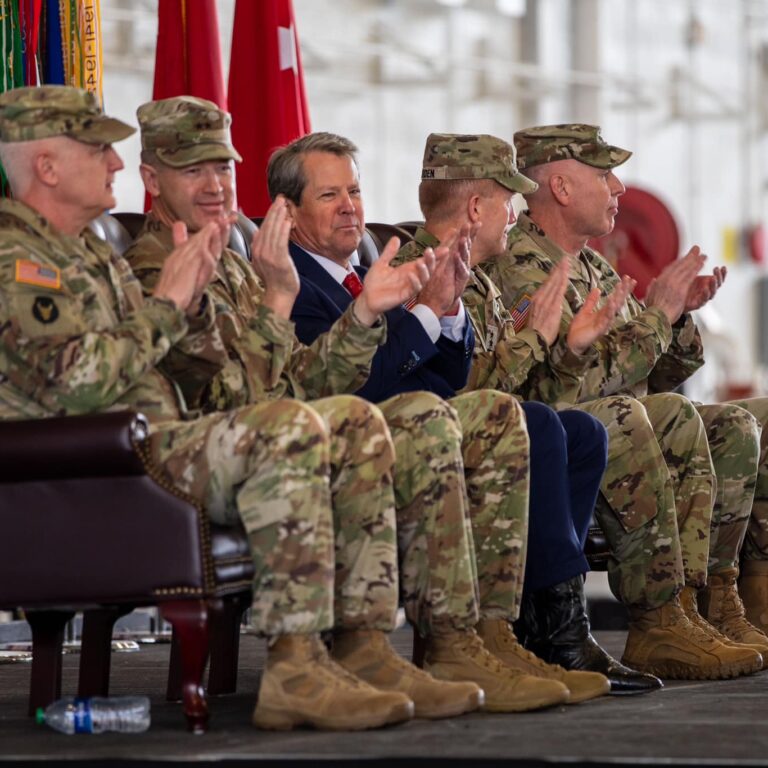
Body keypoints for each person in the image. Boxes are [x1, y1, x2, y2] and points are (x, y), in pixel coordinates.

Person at [123, 95, 599, 712]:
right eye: (195, 170)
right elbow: (254, 396)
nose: (215, 185)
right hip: (199, 448)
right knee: (426, 418)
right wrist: (329, 307)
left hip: (280, 423)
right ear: (150, 180)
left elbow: (292, 383)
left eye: (223, 168)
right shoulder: (166, 267)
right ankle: (331, 659)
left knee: (504, 418)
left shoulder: (237, 266)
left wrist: (405, 309)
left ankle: (471, 636)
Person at [0, 84, 449, 732]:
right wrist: (169, 306)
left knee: (352, 421)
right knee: (291, 428)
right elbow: (76, 386)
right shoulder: (19, 260)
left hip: (155, 443)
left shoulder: (88, 252)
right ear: (46, 167)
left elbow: (262, 386)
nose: (117, 165)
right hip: (99, 465)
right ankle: (296, 666)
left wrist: (358, 315)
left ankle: (363, 647)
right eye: (100, 149)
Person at [268, 130, 617, 698]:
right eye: (330, 195)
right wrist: (428, 313)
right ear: (288, 210)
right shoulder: (292, 283)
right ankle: (505, 631)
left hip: (414, 423)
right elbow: (354, 389)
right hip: (358, 440)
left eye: (354, 190)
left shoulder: (363, 267)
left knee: (581, 431)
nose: (351, 206)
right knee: (532, 421)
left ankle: (551, 621)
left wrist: (447, 312)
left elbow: (439, 377)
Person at [394, 131, 740, 686]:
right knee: (591, 422)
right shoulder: (450, 268)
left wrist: (666, 318)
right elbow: (475, 388)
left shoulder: (492, 271)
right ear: (479, 206)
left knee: (628, 423)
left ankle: (679, 608)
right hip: (456, 433)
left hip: (522, 421)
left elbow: (645, 374)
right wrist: (581, 338)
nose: (515, 211)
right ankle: (588, 627)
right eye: (509, 198)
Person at [487, 123, 768, 677]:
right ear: (562, 188)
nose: (619, 188)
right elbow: (567, 386)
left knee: (744, 421)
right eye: (604, 174)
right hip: (561, 429)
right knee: (651, 413)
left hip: (622, 415)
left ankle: (727, 597)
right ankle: (662, 618)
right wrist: (656, 317)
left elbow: (662, 370)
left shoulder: (591, 264)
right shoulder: (522, 265)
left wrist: (676, 313)